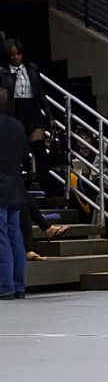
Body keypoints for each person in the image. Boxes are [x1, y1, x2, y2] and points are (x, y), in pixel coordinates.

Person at [0, 98, 24, 298]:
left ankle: (5, 286)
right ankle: (18, 285)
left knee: (2, 238)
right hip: (15, 185)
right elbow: (24, 153)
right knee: (15, 237)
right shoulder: (18, 125)